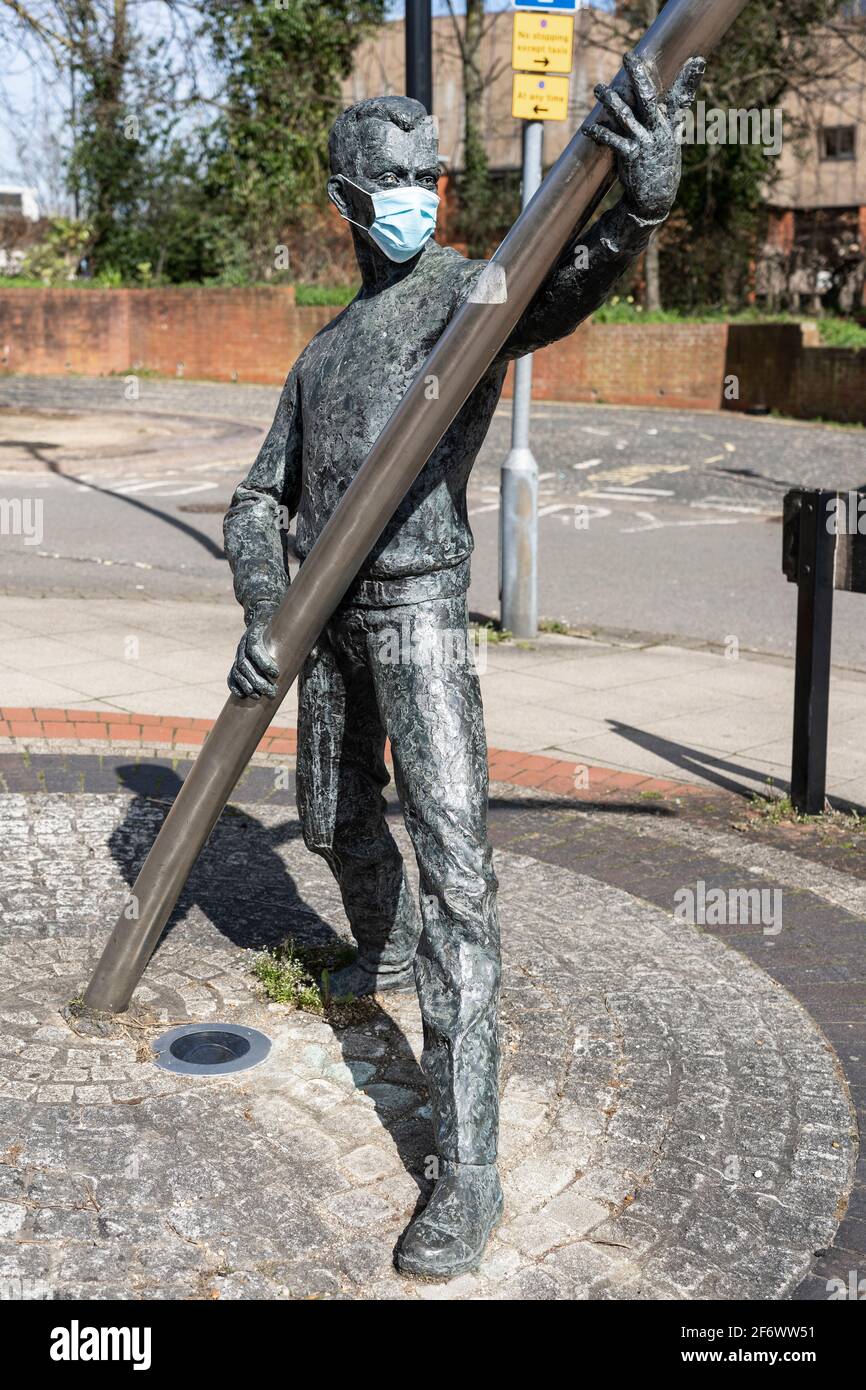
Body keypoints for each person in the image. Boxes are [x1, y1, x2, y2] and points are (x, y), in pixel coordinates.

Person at [223, 51, 704, 1280]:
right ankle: (370, 945)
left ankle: (466, 1169)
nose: (419, 194)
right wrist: (264, 601)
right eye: (391, 179)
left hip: (420, 613)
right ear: (344, 197)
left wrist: (640, 205)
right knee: (333, 819)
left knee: (459, 879)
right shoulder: (322, 355)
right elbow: (248, 497)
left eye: (430, 174)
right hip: (323, 629)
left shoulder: (465, 291)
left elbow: (563, 285)